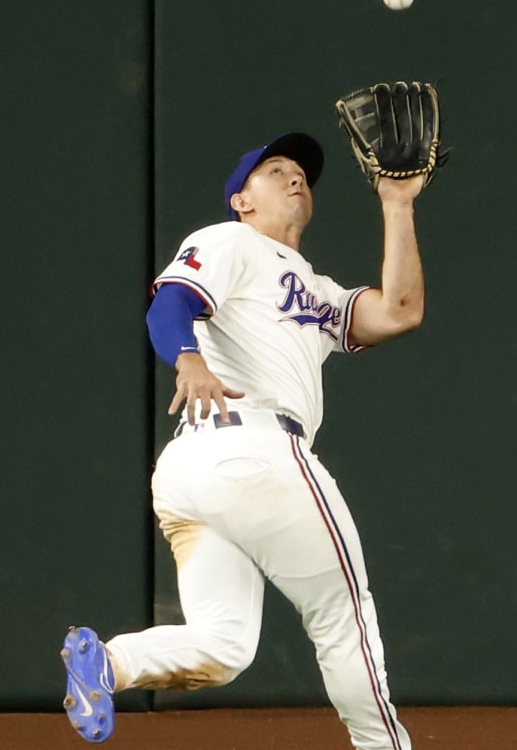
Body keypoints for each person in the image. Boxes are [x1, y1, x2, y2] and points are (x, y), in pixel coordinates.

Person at [61, 131, 427, 750]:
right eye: (275, 170)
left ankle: (111, 663)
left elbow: (399, 311)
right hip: (253, 448)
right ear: (241, 200)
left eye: (301, 173)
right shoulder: (230, 240)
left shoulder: (317, 288)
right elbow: (169, 303)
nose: (294, 178)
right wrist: (185, 356)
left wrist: (397, 204)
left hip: (194, 474)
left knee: (224, 645)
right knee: (344, 616)